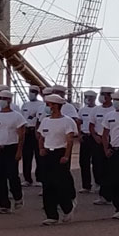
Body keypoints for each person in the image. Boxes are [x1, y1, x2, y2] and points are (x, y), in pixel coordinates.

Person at [34, 93, 78, 224]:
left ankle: (67, 207)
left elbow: (69, 140)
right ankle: (51, 215)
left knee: (60, 184)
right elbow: (41, 137)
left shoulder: (67, 121)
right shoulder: (45, 120)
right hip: (48, 154)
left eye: (50, 104)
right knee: (47, 185)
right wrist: (41, 148)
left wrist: (66, 155)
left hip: (60, 153)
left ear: (57, 106)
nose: (48, 107)